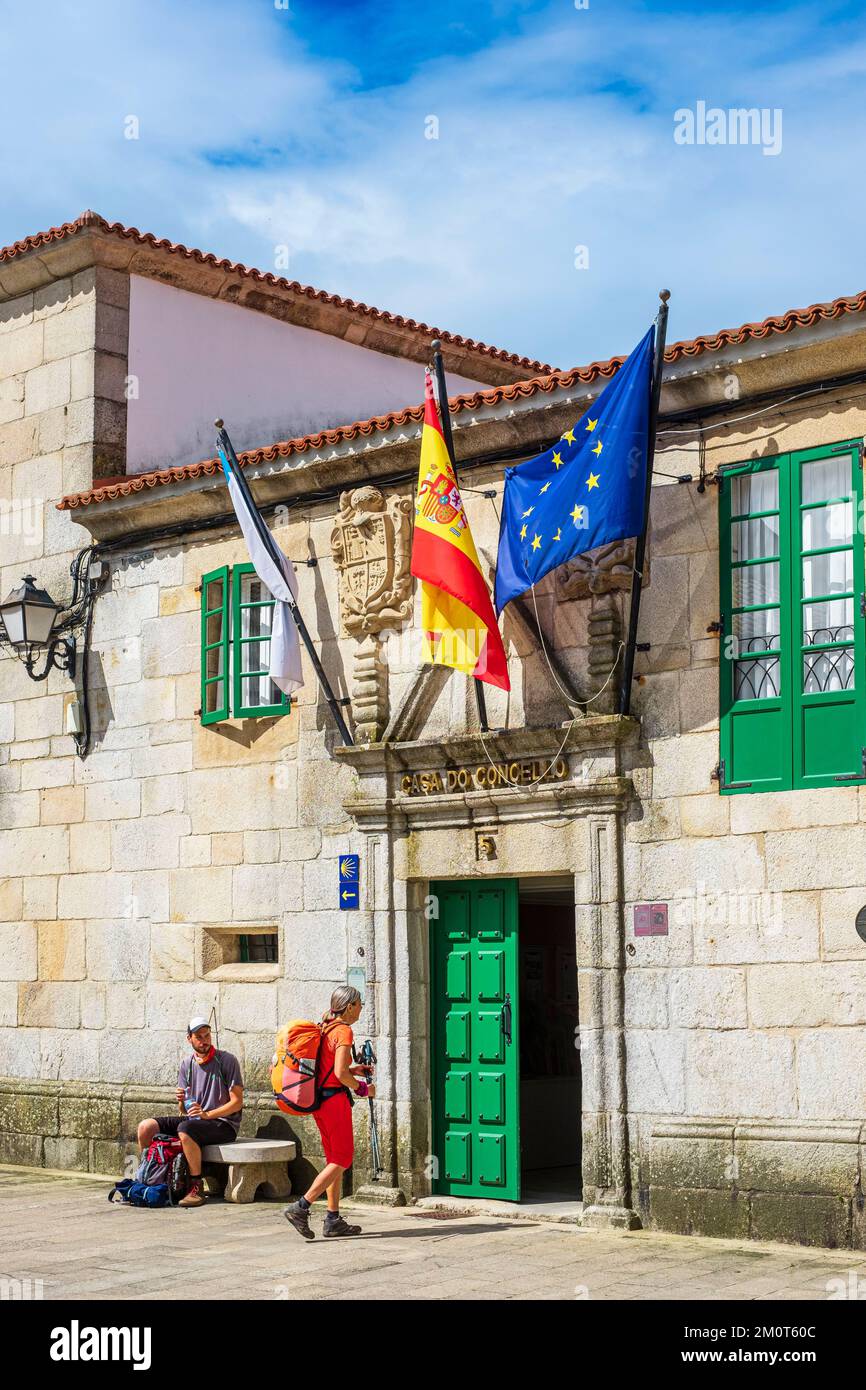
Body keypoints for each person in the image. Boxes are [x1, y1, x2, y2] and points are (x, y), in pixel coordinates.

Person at [283, 986, 373, 1239]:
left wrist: (353, 1071)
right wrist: (363, 1089)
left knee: (334, 1159)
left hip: (318, 1101)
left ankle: (333, 1219)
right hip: (334, 1103)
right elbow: (339, 1074)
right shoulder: (344, 1030)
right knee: (343, 1159)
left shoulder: (325, 1026)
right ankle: (301, 1206)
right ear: (350, 1006)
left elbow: (332, 1067)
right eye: (359, 1004)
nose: (361, 1009)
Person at [136, 1017, 244, 1209]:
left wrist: (207, 1115)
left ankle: (196, 1187)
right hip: (196, 1120)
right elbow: (183, 1110)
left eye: (207, 1035)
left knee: (185, 1128)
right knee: (146, 1127)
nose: (204, 1041)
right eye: (199, 1037)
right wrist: (181, 1100)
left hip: (223, 1124)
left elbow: (237, 1103)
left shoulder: (227, 1060)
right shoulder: (187, 1065)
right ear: (189, 1039)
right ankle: (148, 1175)